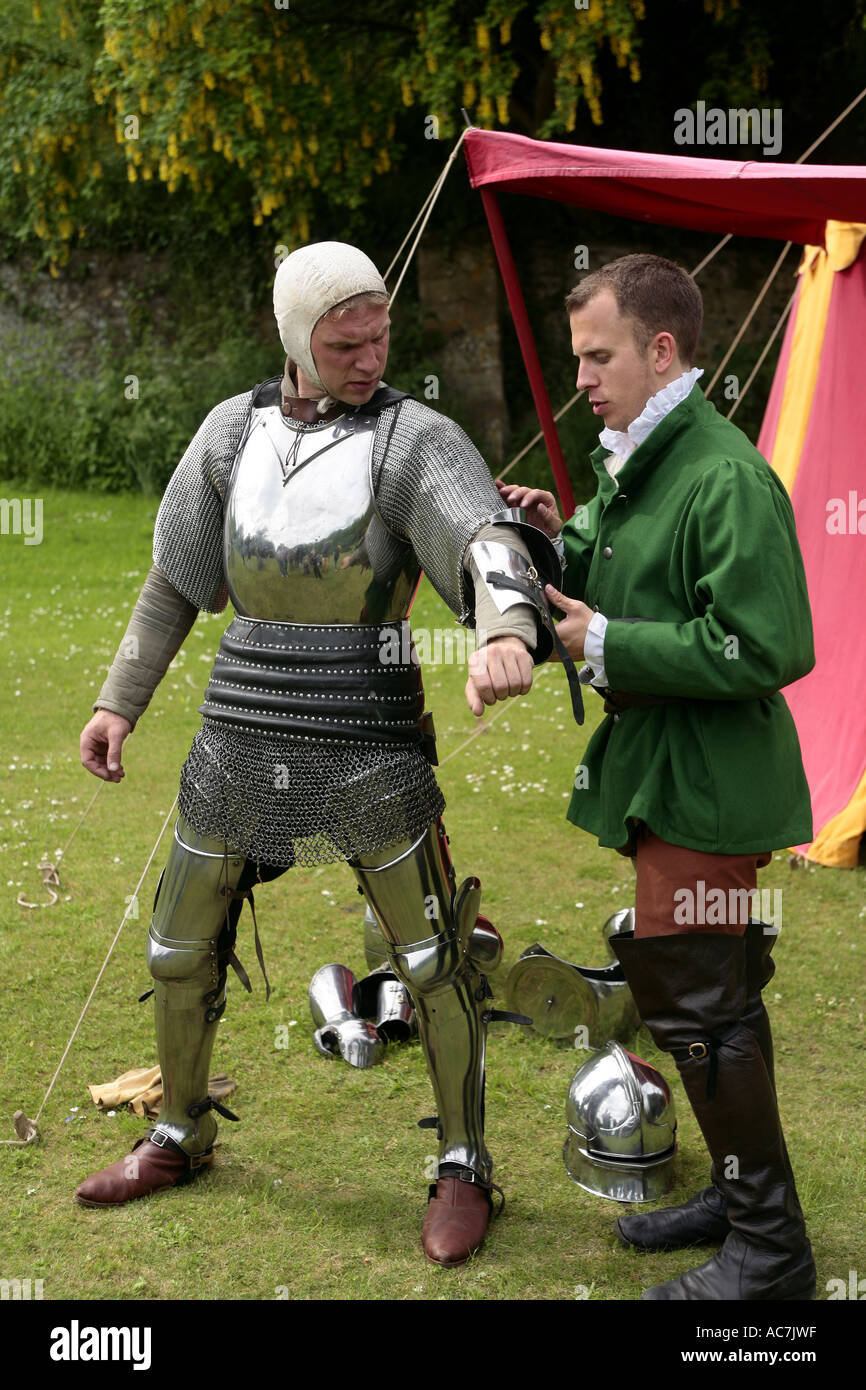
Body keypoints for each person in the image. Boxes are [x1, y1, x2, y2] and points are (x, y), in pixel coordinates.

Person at [75, 240, 560, 1268]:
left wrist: (505, 630)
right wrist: (120, 702)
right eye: (345, 340)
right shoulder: (227, 435)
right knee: (175, 946)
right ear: (296, 338)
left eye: (380, 335)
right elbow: (175, 581)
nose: (369, 355)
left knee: (429, 959)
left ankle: (466, 1164)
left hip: (368, 728)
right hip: (240, 719)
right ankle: (179, 1131)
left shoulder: (408, 438)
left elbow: (482, 537)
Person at [493, 253, 816, 1301]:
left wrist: (610, 643)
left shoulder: (720, 473)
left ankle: (770, 1254)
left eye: (600, 356)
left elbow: (764, 646)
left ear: (661, 350)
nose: (581, 376)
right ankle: (736, 1192)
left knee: (696, 996)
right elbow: (597, 565)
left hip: (712, 779)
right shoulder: (640, 457)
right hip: (664, 771)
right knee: (704, 995)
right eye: (578, 357)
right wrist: (549, 542)